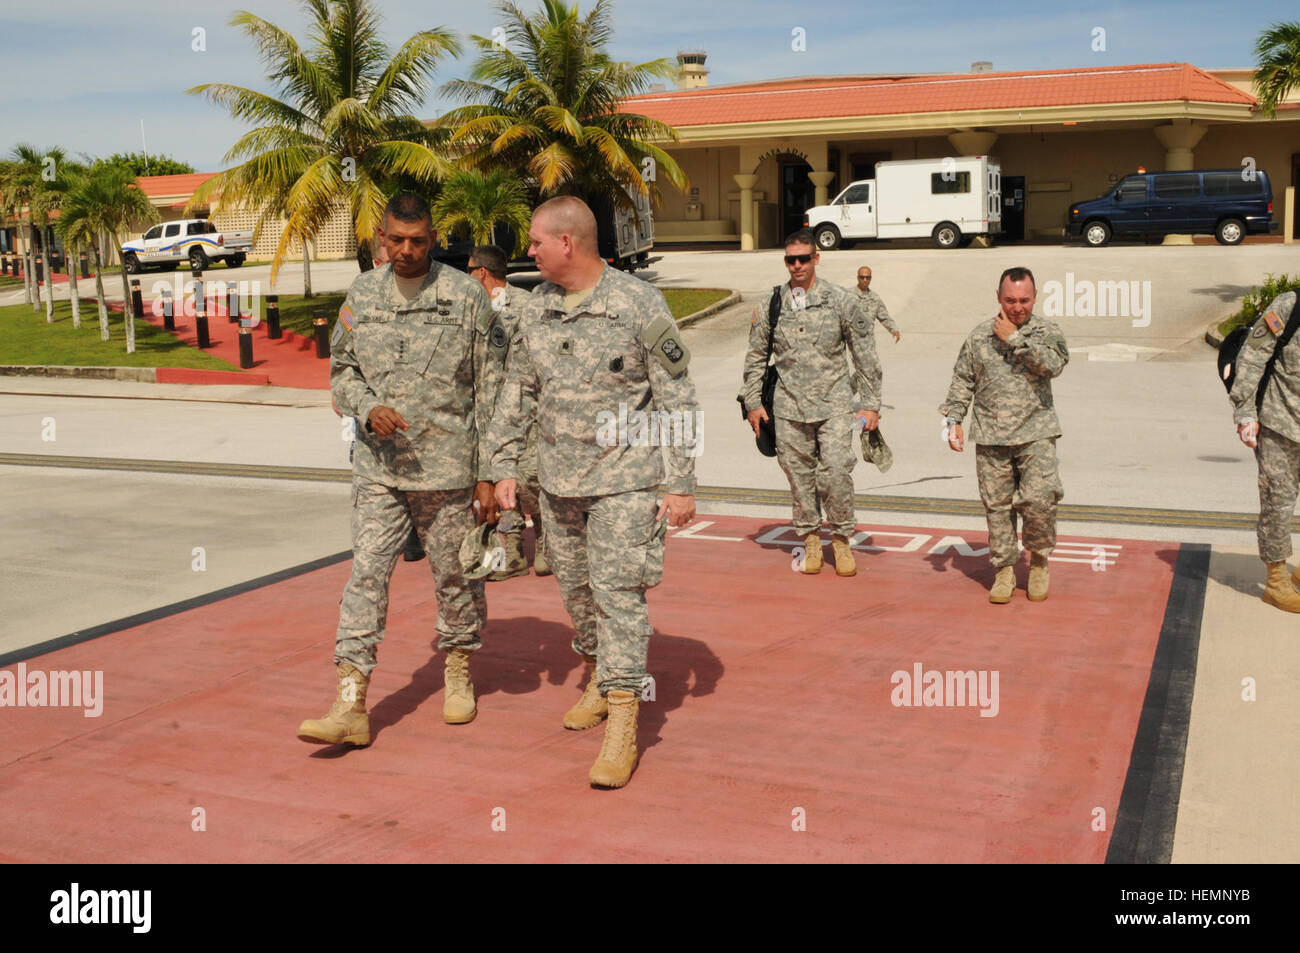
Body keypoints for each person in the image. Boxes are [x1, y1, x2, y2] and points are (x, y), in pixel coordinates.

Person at [489, 196, 698, 789]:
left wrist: (679, 483)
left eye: (534, 242)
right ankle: (599, 681)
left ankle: (624, 723)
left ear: (566, 243)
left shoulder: (638, 303)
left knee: (618, 596)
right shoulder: (536, 310)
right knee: (578, 594)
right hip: (558, 484)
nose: (527, 251)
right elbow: (517, 390)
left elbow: (677, 397)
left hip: (626, 484)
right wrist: (503, 464)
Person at [298, 192, 502, 746]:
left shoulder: (464, 295)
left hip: (449, 470)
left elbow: (491, 388)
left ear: (433, 239)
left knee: (456, 577)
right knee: (365, 575)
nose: (407, 250)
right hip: (379, 469)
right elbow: (342, 371)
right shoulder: (363, 293)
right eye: (397, 240)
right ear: (381, 239)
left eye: (418, 241)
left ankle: (458, 668)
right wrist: (367, 408)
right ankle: (351, 701)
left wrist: (489, 474)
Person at [739, 229, 882, 577]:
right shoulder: (772, 304)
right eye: (791, 259)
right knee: (799, 477)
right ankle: (812, 541)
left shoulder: (841, 300)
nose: (798, 265)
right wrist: (754, 403)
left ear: (817, 258)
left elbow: (865, 356)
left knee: (835, 472)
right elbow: (756, 357)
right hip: (787, 408)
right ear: (785, 261)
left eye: (804, 258)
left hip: (833, 404)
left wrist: (871, 404)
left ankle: (843, 538)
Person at [940, 266, 1068, 604]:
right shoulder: (979, 335)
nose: (1017, 307)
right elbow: (962, 379)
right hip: (991, 435)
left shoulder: (1045, 332)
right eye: (1010, 300)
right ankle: (1005, 570)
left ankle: (1039, 561)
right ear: (999, 298)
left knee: (1040, 502)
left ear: (1035, 298)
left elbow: (1052, 365)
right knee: (997, 508)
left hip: (1036, 432)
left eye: (1024, 300)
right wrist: (953, 420)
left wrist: (1014, 338)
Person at [467, 244, 549, 580]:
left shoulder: (527, 306)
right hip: (485, 413)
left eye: (469, 270)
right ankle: (512, 551)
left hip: (523, 414)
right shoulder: (471, 308)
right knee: (500, 482)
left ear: (481, 272)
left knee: (531, 479)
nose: (466, 277)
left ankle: (546, 539)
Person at [1228, 290, 1300, 612]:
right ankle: (1276, 580)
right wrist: (1245, 412)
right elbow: (1253, 355)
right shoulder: (1289, 305)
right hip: (1280, 423)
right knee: (1277, 504)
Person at [854, 266, 900, 343]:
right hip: (852, 343)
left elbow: (884, 317)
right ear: (858, 278)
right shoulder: (847, 296)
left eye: (868, 277)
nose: (865, 280)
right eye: (862, 277)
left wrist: (894, 329)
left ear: (870, 279)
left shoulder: (875, 298)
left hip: (868, 344)